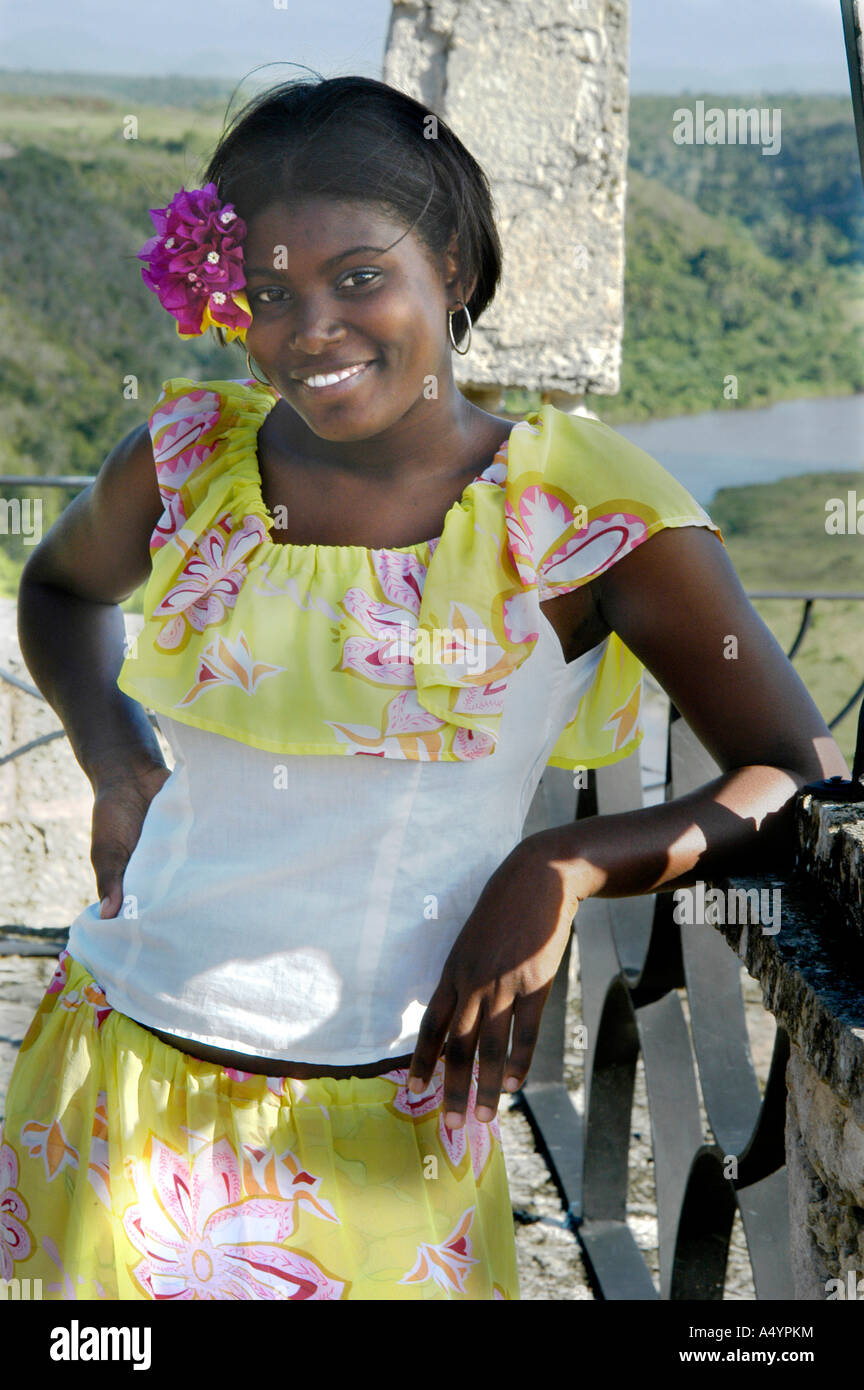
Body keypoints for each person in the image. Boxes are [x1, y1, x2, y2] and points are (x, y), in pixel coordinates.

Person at [0, 74, 849, 1303]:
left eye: (359, 276)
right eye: (271, 293)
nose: (312, 330)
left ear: (451, 263)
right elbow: (60, 590)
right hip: (114, 1077)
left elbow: (799, 770)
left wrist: (562, 865)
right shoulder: (186, 458)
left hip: (383, 1126)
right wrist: (116, 758)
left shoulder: (576, 508)